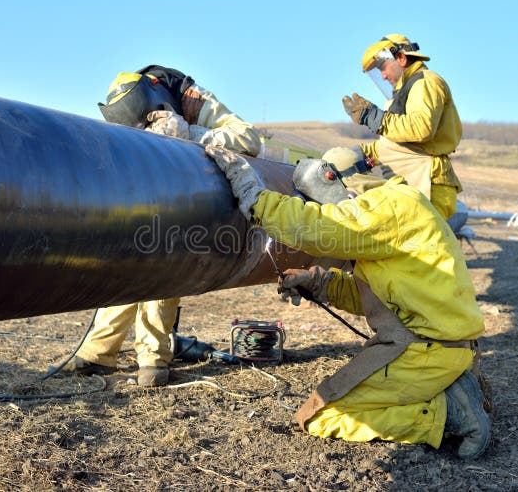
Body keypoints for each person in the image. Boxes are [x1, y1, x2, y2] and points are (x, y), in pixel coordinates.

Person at [203, 144, 490, 459]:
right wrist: (318, 284)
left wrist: (254, 196)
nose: (327, 209)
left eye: (319, 202)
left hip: (423, 352)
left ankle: (446, 413)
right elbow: (385, 300)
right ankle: (451, 388)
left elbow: (318, 227)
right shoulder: (399, 208)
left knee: (321, 416)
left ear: (330, 183)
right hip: (444, 349)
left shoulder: (388, 208)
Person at [74, 65, 261, 386]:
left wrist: (190, 133)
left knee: (163, 269)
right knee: (127, 266)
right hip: (148, 190)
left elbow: (249, 139)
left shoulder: (193, 99)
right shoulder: (127, 106)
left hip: (187, 194)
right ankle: (97, 354)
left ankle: (151, 362)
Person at [341, 33, 464, 221]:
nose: (382, 76)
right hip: (411, 180)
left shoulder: (425, 82)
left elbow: (420, 128)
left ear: (401, 58)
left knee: (418, 249)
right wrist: (358, 154)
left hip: (428, 183)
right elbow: (398, 142)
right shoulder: (404, 92)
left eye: (382, 67)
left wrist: (375, 118)